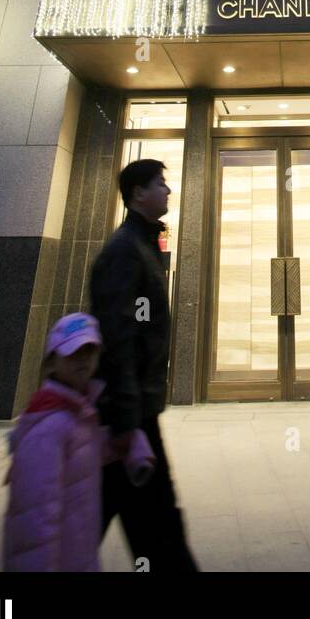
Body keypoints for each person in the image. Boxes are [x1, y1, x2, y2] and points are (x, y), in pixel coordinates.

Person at [91, 158, 198, 571]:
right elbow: (118, 340)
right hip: (130, 417)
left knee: (139, 520)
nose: (168, 191)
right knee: (158, 522)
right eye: (161, 184)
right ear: (138, 193)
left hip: (132, 412)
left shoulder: (141, 246)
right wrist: (126, 420)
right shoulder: (125, 252)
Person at [2, 312, 154, 572]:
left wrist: (132, 441)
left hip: (78, 554)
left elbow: (91, 448)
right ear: (51, 361)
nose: (82, 360)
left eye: (89, 352)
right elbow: (34, 521)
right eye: (73, 353)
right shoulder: (47, 429)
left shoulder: (78, 413)